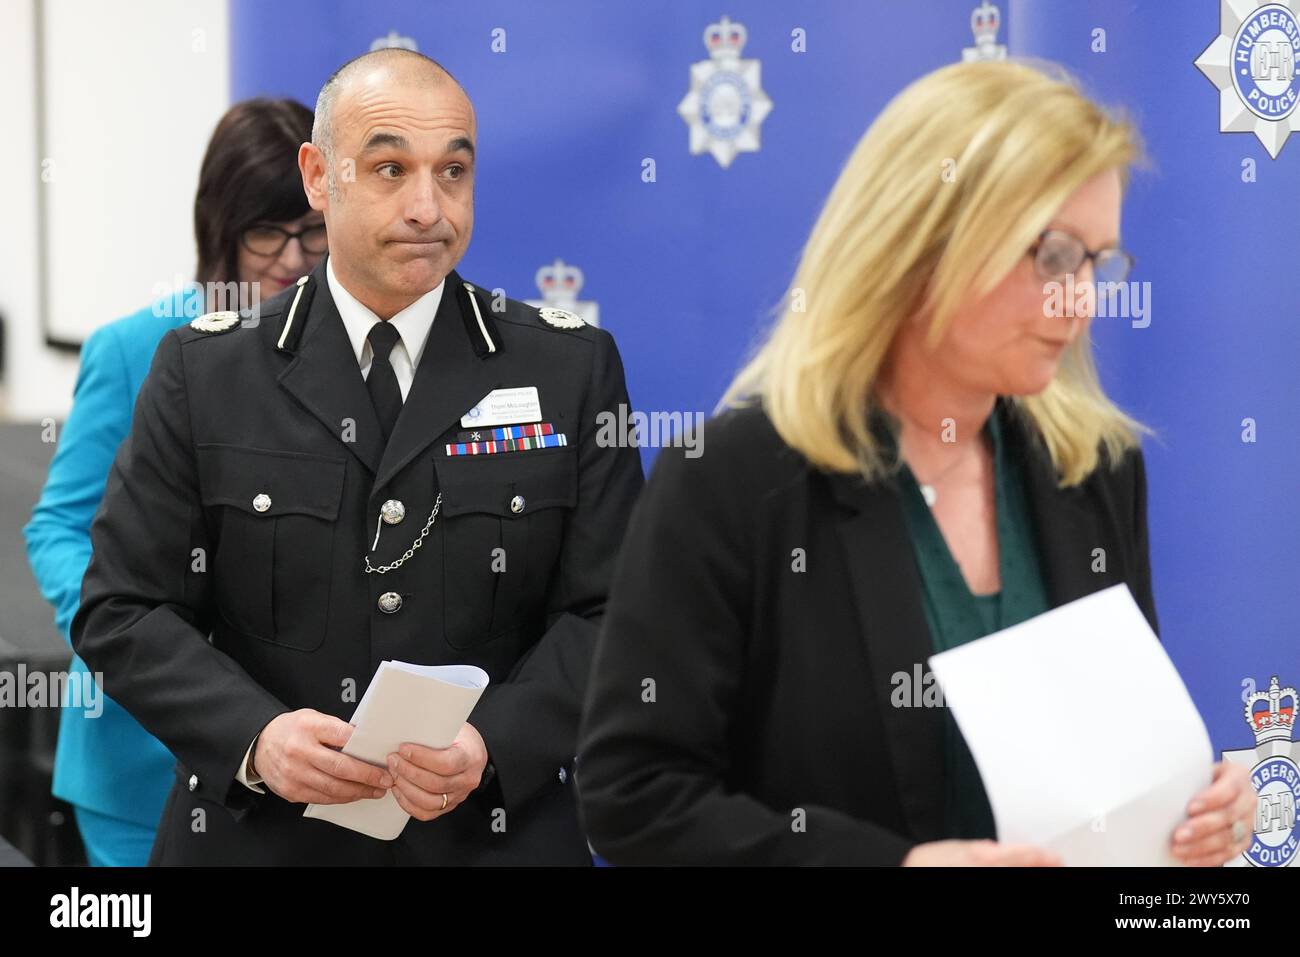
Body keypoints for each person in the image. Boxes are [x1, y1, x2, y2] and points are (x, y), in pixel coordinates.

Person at [576, 60, 1255, 866]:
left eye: (1098, 264)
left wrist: (1192, 805)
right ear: (927, 238)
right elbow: (636, 794)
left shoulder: (1092, 466)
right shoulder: (734, 478)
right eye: (1054, 256)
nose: (1081, 302)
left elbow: (1115, 751)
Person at [71, 48, 643, 865]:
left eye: (453, 171)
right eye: (388, 168)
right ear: (317, 175)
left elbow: (615, 612)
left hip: (489, 837)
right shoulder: (205, 372)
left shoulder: (566, 369)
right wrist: (256, 736)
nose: (427, 206)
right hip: (261, 843)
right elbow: (121, 607)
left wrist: (493, 743)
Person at [24, 97, 325, 866]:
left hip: (303, 767)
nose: (293, 259)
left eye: (314, 232)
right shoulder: (136, 348)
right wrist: (127, 637)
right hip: (142, 767)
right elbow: (58, 528)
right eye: (266, 234)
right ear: (217, 231)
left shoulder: (351, 358)